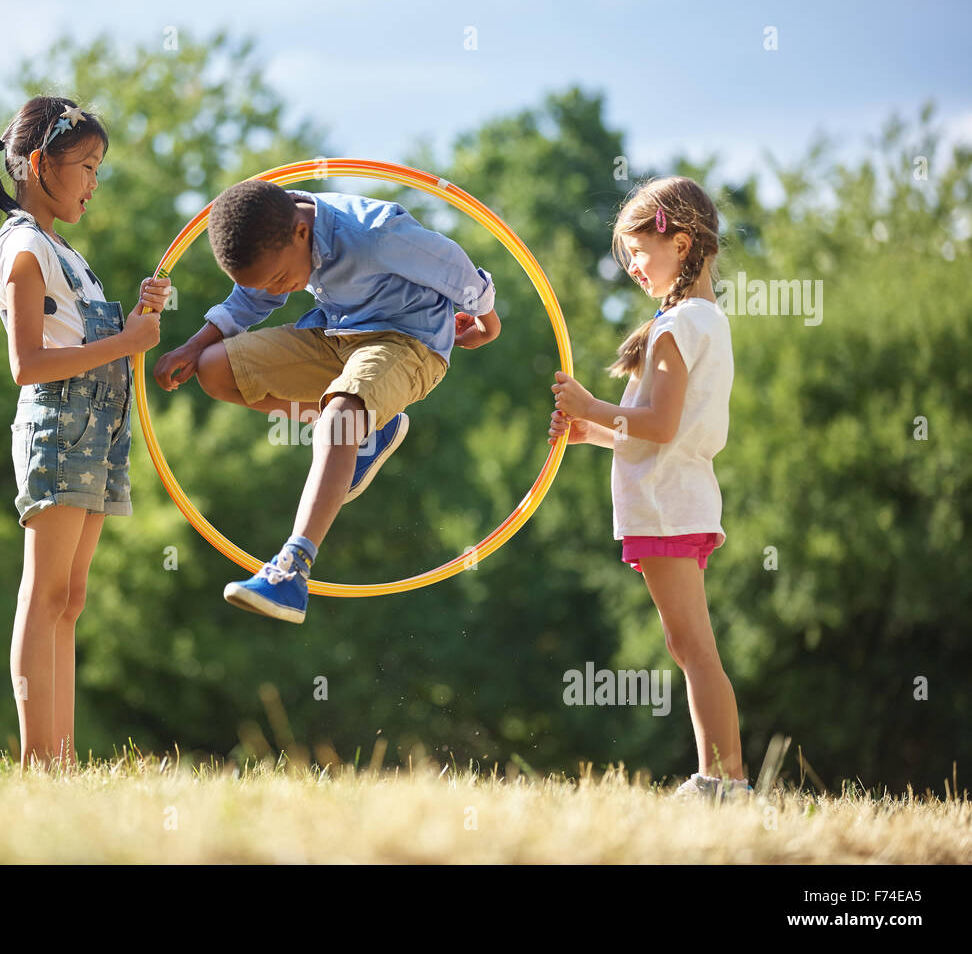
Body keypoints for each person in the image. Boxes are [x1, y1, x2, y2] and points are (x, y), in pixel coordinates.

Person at [153, 179, 500, 623]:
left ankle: (292, 569)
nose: (280, 287)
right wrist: (191, 346)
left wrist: (489, 323)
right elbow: (249, 299)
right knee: (214, 368)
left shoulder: (373, 235)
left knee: (340, 414)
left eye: (281, 278)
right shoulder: (280, 236)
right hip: (336, 335)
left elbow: (452, 264)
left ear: (302, 231)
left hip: (407, 344)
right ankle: (365, 428)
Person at [0, 95, 171, 769]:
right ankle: (36, 761)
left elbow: (83, 336)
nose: (93, 182)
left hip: (98, 428)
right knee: (44, 590)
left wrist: (138, 321)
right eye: (85, 166)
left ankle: (64, 756)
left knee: (71, 597)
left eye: (98, 168)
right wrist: (127, 343)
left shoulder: (61, 251)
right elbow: (28, 365)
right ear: (35, 164)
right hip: (59, 423)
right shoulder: (22, 247)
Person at [549, 176, 750, 800]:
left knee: (694, 647)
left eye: (639, 252)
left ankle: (727, 780)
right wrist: (594, 431)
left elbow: (659, 425)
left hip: (666, 506)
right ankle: (719, 778)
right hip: (681, 496)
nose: (633, 267)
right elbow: (664, 432)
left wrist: (592, 403)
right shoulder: (701, 322)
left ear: (682, 244)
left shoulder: (673, 329)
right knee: (688, 643)